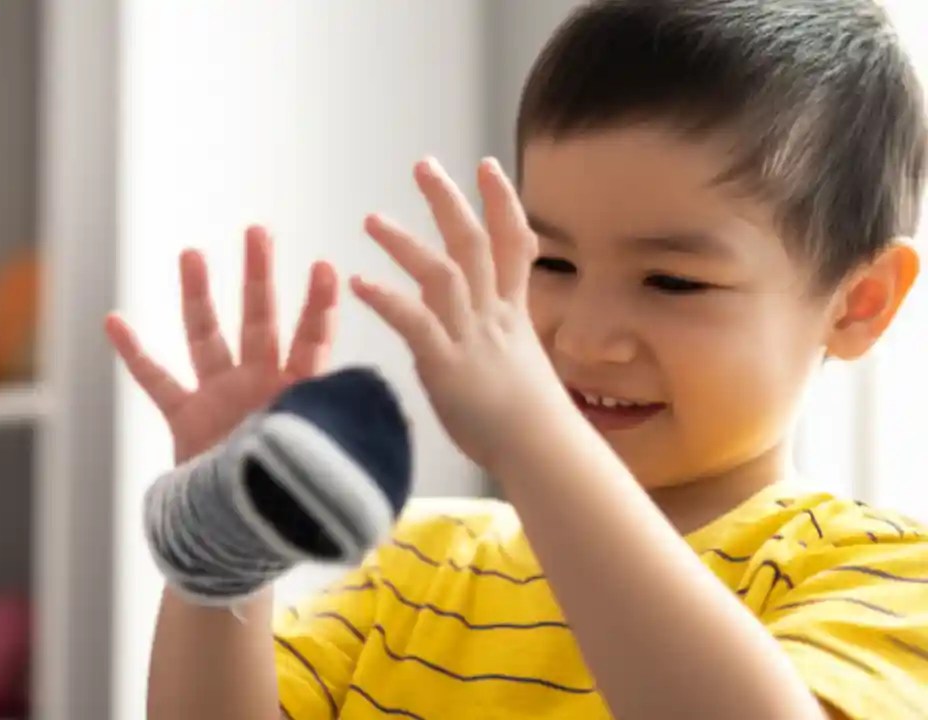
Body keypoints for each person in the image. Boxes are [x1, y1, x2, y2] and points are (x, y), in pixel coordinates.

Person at [105, 0, 928, 717]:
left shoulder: (881, 575)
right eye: (553, 263)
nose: (581, 340)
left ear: (858, 303)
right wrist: (228, 539)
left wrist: (535, 439)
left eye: (672, 281)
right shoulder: (414, 565)